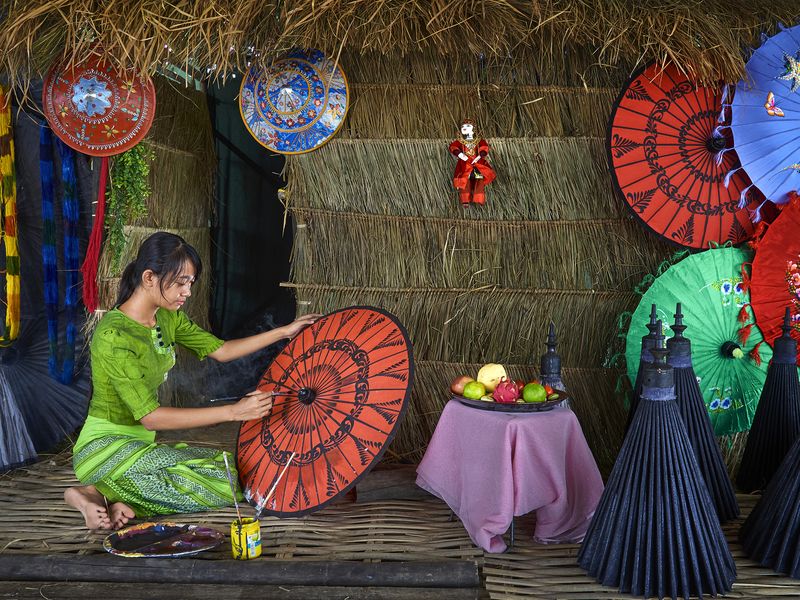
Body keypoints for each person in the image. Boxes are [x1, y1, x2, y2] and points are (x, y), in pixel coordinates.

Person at [64, 232, 319, 530]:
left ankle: (118, 499)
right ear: (149, 277)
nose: (187, 292)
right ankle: (88, 490)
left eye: (191, 283)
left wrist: (283, 332)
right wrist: (234, 412)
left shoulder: (167, 317)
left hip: (141, 450)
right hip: (105, 449)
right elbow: (150, 418)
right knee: (226, 487)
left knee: (227, 467)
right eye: (181, 282)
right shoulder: (114, 336)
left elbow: (221, 350)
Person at [448, 119, 496, 205]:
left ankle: (479, 199)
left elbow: (484, 147)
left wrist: (479, 156)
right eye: (463, 126)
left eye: (468, 126)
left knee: (479, 181)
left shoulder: (478, 141)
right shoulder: (460, 141)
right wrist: (460, 154)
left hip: (477, 165)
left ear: (473, 129)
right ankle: (465, 200)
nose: (464, 128)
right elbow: (453, 147)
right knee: (465, 181)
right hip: (465, 165)